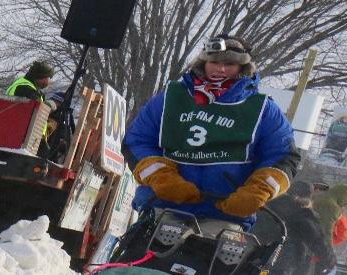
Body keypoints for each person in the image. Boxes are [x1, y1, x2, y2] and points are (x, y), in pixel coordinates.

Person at [123, 35, 300, 229]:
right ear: (203, 63)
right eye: (214, 62)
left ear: (242, 67)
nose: (221, 69)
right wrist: (161, 177)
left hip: (227, 217)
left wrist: (258, 191)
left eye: (229, 64)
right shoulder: (170, 98)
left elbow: (283, 157)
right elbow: (137, 141)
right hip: (163, 206)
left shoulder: (263, 110)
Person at [257, 181, 335, 275]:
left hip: (259, 254)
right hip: (284, 259)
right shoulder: (303, 214)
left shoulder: (270, 204)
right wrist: (330, 261)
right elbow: (317, 239)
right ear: (305, 198)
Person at [293, 183, 347, 275]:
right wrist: (328, 254)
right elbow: (330, 233)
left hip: (301, 244)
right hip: (315, 249)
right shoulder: (333, 209)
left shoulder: (314, 200)